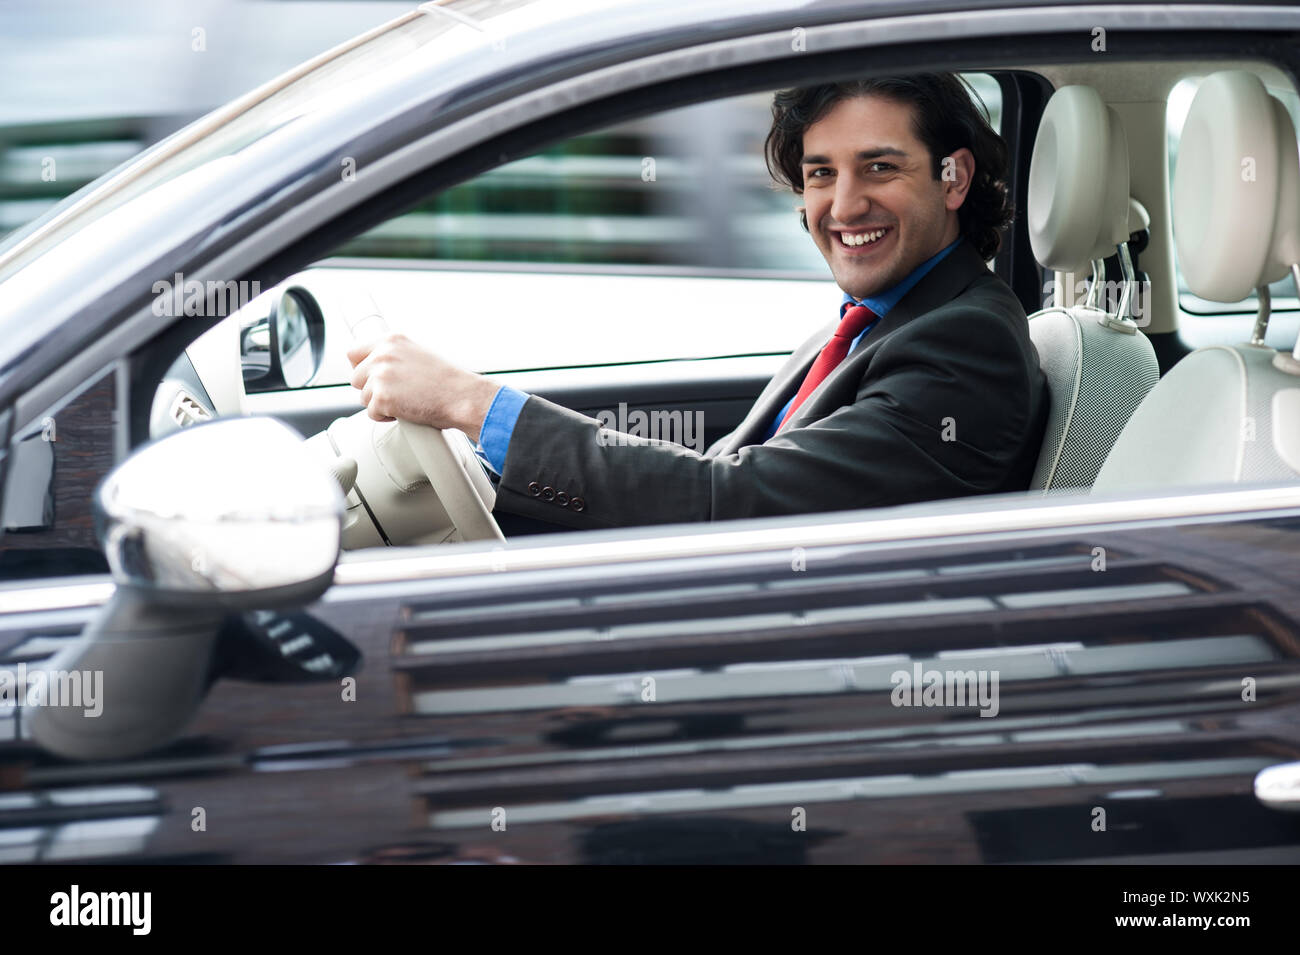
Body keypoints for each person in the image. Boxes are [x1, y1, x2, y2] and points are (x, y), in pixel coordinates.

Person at [347, 73, 1049, 530]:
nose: (842, 204)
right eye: (819, 174)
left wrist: (474, 404)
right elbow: (720, 475)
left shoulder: (967, 343)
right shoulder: (884, 319)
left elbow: (735, 501)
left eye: (880, 167)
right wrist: (491, 461)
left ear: (954, 180)